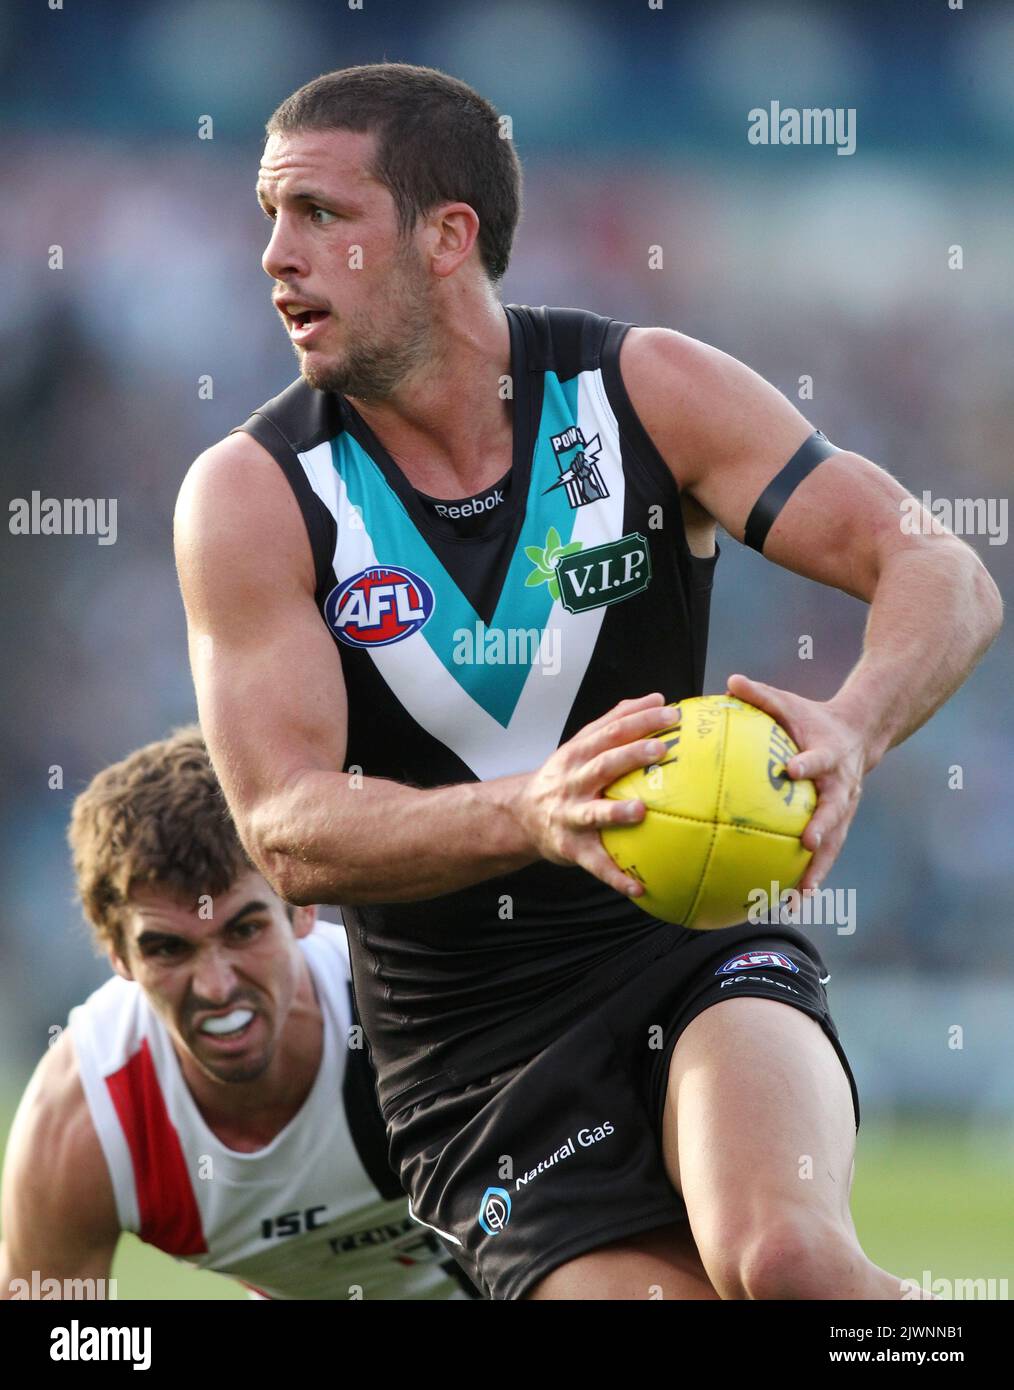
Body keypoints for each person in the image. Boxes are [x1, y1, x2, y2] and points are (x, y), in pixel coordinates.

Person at [172, 63, 1002, 1300]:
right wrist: (531, 811)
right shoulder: (253, 495)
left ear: (447, 236)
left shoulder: (644, 391)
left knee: (788, 1262)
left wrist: (854, 724)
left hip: (692, 952)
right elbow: (286, 828)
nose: (275, 254)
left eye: (320, 215)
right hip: (472, 1056)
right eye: (269, 216)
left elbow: (939, 568)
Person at [0, 725, 477, 1301]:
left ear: (302, 911)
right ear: (117, 955)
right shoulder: (86, 1119)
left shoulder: (414, 1018)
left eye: (244, 930)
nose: (218, 987)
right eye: (168, 948)